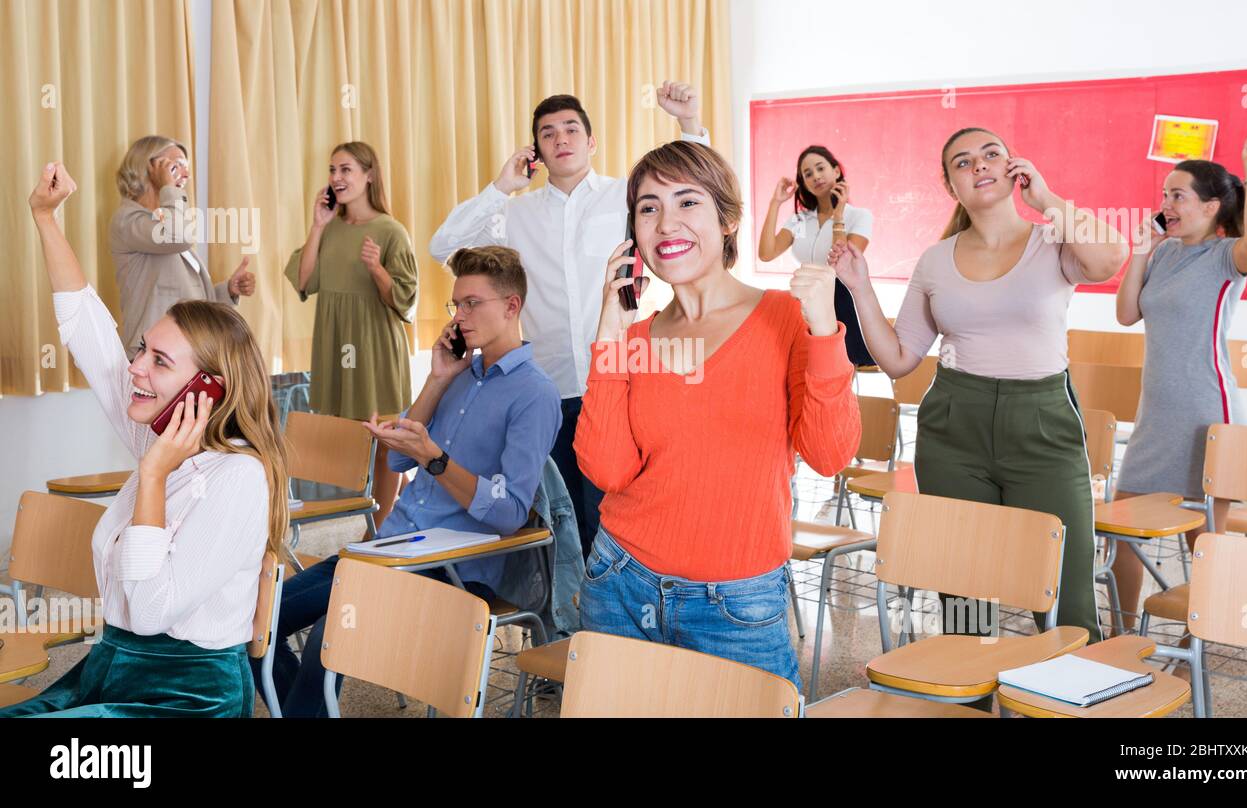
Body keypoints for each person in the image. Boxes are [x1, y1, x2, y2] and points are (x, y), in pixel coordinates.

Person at [2, 163, 288, 718]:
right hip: (112, 666)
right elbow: (86, 328)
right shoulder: (162, 437)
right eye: (142, 349)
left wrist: (153, 475)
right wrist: (44, 216)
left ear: (209, 389)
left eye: (159, 360)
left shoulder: (236, 477)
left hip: (190, 694)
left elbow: (153, 611)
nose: (135, 367)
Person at [574, 142, 860, 688]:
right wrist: (609, 328)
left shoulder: (786, 318)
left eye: (687, 202)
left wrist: (825, 330)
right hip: (620, 583)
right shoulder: (633, 338)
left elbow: (830, 455)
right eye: (649, 208)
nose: (666, 223)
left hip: (736, 603)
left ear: (727, 220)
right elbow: (607, 470)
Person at [829, 127, 1129, 644]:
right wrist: (860, 289)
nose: (980, 165)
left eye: (992, 154)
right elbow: (898, 360)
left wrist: (1047, 199)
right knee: (965, 596)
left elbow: (1110, 259)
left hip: (1043, 423)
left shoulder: (1053, 240)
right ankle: (969, 681)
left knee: (1067, 594)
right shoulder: (935, 259)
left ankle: (1073, 681)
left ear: (1014, 168)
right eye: (963, 162)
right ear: (952, 186)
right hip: (954, 426)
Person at [254, 246, 561, 717]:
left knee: (329, 633)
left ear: (511, 306)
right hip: (393, 546)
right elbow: (398, 460)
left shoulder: (534, 394)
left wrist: (435, 460)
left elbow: (509, 513)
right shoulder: (459, 374)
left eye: (472, 303)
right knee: (257, 617)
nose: (459, 316)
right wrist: (437, 380)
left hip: (455, 568)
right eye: (455, 304)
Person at [429, 81, 709, 558]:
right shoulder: (513, 214)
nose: (561, 138)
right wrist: (501, 187)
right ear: (535, 152)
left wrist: (688, 122)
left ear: (591, 141)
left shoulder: (626, 196)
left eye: (571, 129)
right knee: (562, 521)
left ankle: (619, 601)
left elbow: (697, 191)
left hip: (620, 381)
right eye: (548, 133)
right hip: (548, 392)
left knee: (616, 514)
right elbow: (443, 248)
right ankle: (572, 604)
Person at [1110, 135, 1247, 630]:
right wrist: (1142, 252)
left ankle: (1196, 640)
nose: (1165, 204)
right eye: (1164, 195)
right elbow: (1125, 314)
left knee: (1202, 543)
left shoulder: (1227, 256)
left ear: (1211, 206)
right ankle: (1120, 633)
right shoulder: (1164, 255)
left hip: (1207, 414)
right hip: (1155, 419)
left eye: (1177, 195)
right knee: (1122, 531)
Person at [284, 141, 419, 529]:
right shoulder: (330, 228)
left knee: (385, 440)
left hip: (376, 345)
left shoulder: (391, 231)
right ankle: (404, 503)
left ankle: (381, 527)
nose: (336, 178)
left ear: (369, 175)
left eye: (346, 169)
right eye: (332, 170)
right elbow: (304, 281)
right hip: (337, 343)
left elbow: (406, 300)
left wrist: (377, 269)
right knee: (354, 436)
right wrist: (317, 225)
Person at [111, 135, 255, 356]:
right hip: (154, 355)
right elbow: (179, 237)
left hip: (183, 350)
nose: (186, 175)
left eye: (186, 167)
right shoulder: (128, 220)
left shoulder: (165, 221)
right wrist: (169, 189)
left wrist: (228, 290)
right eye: (176, 166)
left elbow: (186, 300)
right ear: (148, 168)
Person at [759, 145, 874, 366]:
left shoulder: (859, 216)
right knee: (802, 365)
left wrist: (838, 215)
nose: (816, 176)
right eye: (808, 174)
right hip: (804, 299)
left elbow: (842, 261)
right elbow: (766, 253)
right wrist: (775, 202)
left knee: (837, 366)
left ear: (836, 171)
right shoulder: (800, 220)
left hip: (841, 299)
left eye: (820, 168)